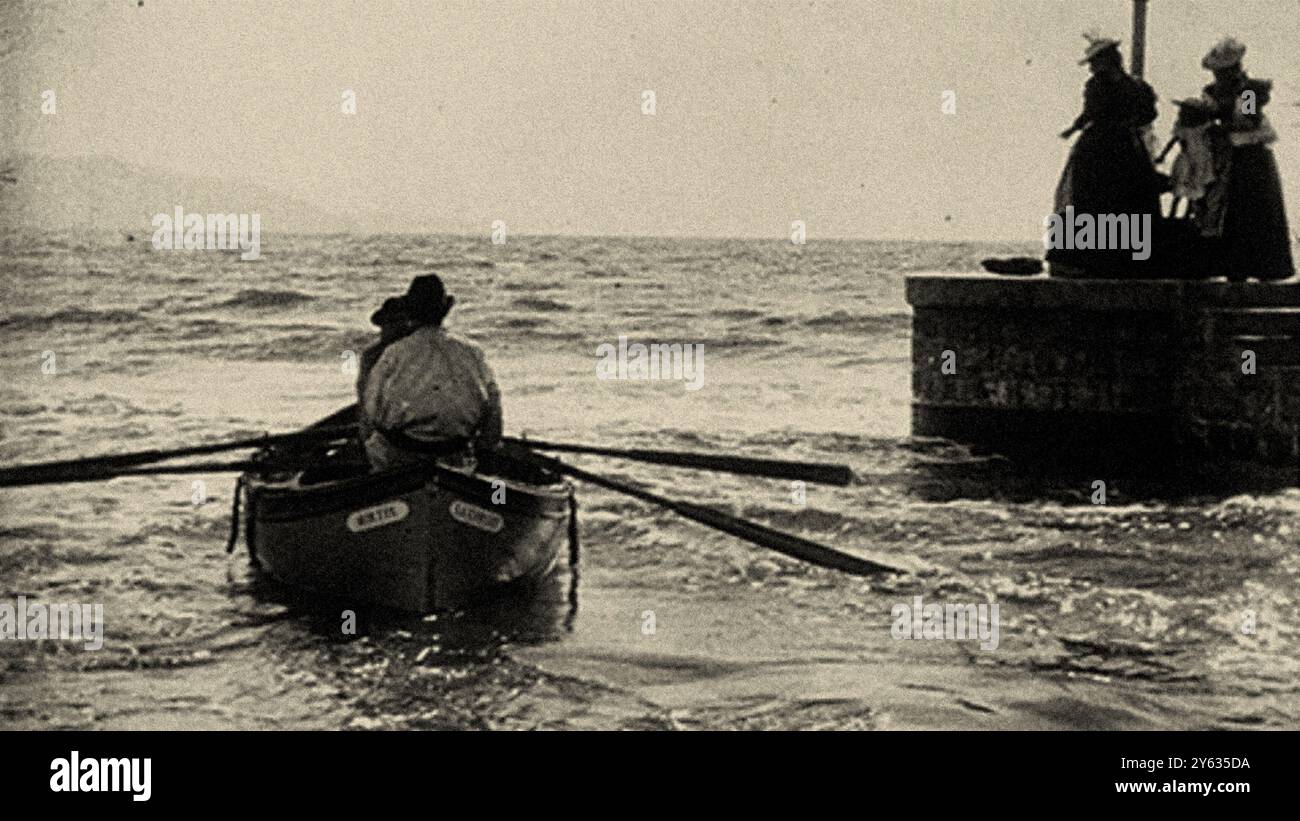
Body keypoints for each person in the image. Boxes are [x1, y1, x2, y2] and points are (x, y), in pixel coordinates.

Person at [1046, 33, 1162, 277]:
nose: (1092, 68)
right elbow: (1149, 114)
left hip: (1098, 147)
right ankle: (1127, 258)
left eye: (1094, 63)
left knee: (1089, 198)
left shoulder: (1097, 85)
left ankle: (1088, 259)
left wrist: (1073, 128)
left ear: (1104, 61)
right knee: (1128, 200)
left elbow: (1090, 113)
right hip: (1129, 148)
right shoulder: (1139, 86)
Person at [361, 274, 503, 471]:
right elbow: (493, 406)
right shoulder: (471, 352)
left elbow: (371, 413)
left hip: (401, 455)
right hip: (455, 454)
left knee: (374, 443)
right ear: (443, 311)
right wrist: (486, 449)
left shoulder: (393, 353)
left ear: (411, 313)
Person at [1191, 37, 1295, 281]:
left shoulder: (1250, 91)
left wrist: (1220, 118)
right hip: (1224, 157)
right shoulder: (1213, 92)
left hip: (1251, 157)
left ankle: (1261, 266)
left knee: (1253, 210)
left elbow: (1248, 121)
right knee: (1223, 212)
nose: (1220, 77)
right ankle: (1228, 266)